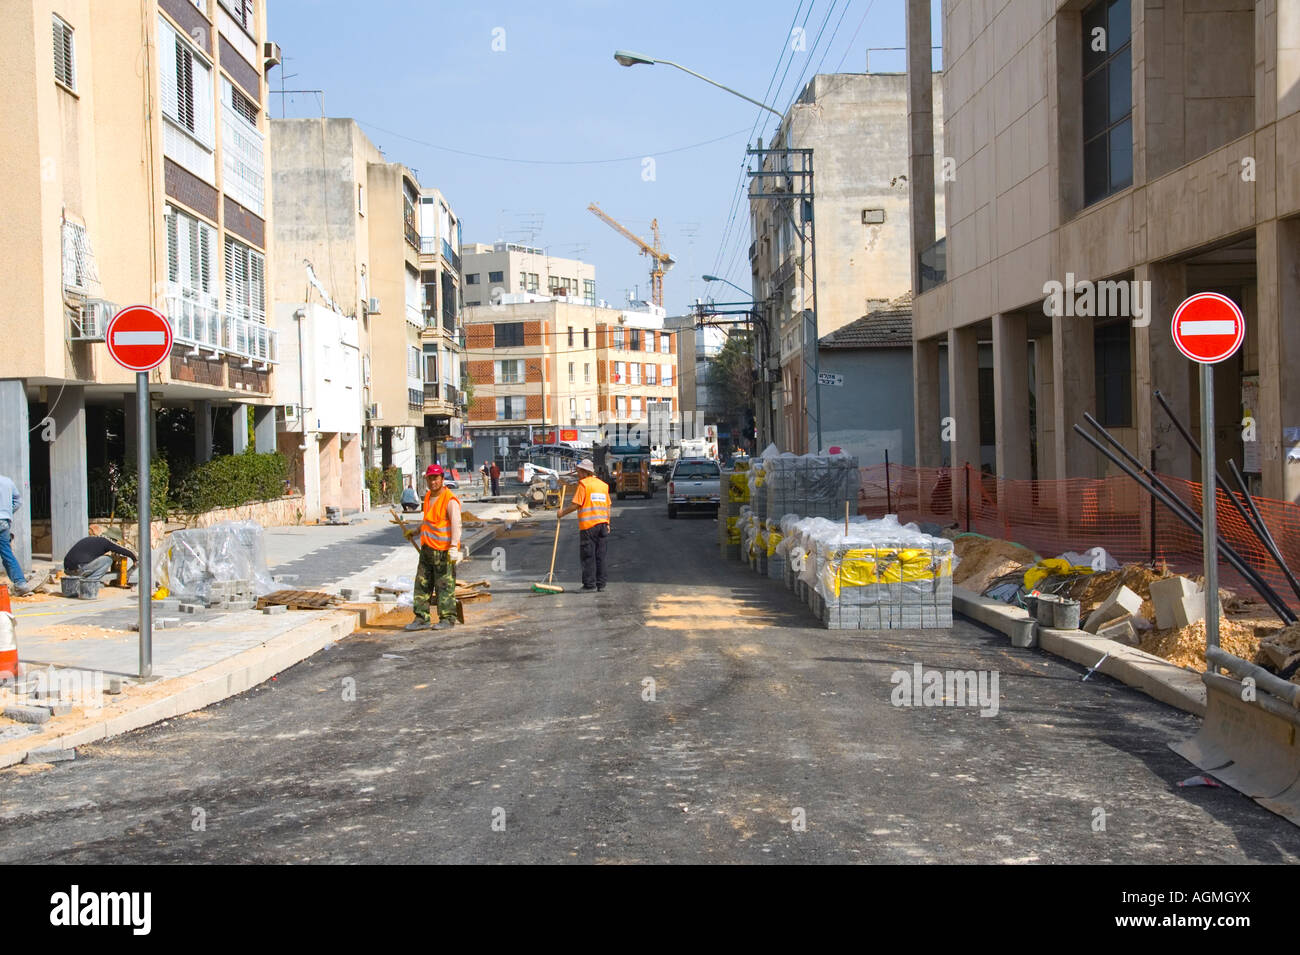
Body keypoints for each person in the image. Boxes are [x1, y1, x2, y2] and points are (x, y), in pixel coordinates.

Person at [404, 464, 462, 631]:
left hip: (444, 551)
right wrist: (415, 532)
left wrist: (453, 546)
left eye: (436, 478)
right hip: (427, 549)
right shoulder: (428, 497)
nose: (433, 481)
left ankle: (447, 618)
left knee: (444, 586)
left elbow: (456, 524)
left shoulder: (449, 500)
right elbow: (428, 521)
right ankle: (421, 618)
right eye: (430, 478)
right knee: (422, 584)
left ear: (442, 479)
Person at [556, 458, 611, 592]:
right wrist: (608, 523)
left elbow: (576, 504)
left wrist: (562, 513)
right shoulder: (603, 485)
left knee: (588, 556)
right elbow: (608, 505)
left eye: (579, 471)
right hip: (603, 525)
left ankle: (589, 585)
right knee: (600, 556)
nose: (577, 473)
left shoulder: (584, 485)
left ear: (585, 472)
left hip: (588, 526)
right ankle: (601, 584)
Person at [0, 473, 37, 596]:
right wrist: (7, 512)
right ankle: (21, 584)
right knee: (6, 553)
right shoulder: (7, 481)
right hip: (4, 521)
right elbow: (18, 501)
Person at [63, 532, 137, 584]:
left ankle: (86, 580)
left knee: (98, 559)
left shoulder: (93, 539)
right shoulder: (107, 541)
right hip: (79, 569)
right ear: (114, 539)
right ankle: (91, 581)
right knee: (108, 559)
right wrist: (134, 558)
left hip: (68, 570)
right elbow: (122, 550)